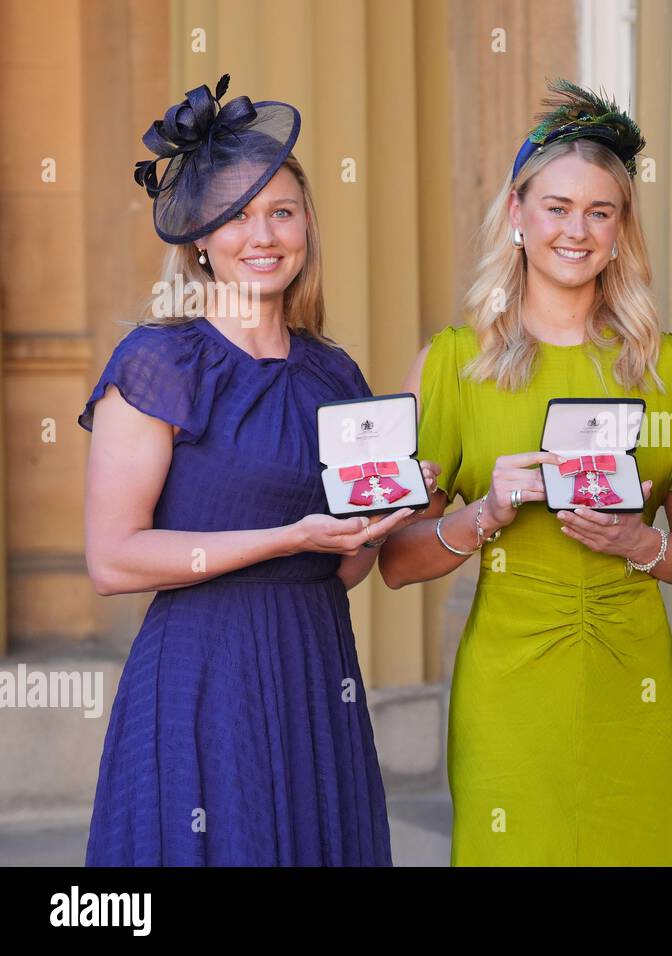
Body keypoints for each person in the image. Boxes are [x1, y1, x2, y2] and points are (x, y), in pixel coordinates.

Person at [81, 75, 431, 865]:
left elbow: (341, 570)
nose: (262, 233)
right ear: (199, 236)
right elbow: (112, 559)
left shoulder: (334, 376)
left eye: (281, 210)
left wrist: (390, 516)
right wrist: (285, 537)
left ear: (308, 223)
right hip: (204, 676)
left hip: (316, 672)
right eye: (236, 215)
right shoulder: (159, 363)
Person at [379, 81, 672, 865]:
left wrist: (642, 545)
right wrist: (485, 515)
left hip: (632, 682)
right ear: (517, 216)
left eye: (600, 212)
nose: (577, 230)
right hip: (506, 685)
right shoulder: (452, 366)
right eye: (557, 207)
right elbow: (396, 560)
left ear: (622, 228)